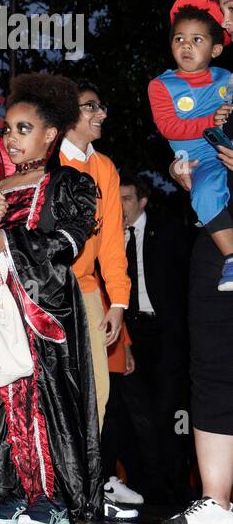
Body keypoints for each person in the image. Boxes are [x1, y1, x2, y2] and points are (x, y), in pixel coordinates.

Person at [0, 73, 103, 524]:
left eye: (23, 129)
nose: (11, 139)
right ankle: (14, 490)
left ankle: (51, 497)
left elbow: (68, 242)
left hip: (43, 310)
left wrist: (10, 240)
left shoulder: (68, 184)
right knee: (4, 397)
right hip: (0, 313)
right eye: (6, 129)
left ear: (51, 134)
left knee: (44, 398)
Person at [162, 0, 233, 524]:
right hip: (218, 225)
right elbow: (181, 130)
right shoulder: (203, 80)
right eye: (227, 3)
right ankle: (215, 502)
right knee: (212, 360)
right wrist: (182, 169)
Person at [56, 82, 137, 517]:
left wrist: (118, 304)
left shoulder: (105, 168)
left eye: (102, 106)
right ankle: (50, 484)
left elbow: (111, 244)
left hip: (88, 291)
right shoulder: (50, 160)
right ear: (69, 115)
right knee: (53, 389)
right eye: (92, 107)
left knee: (98, 392)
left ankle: (85, 483)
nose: (102, 113)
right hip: (46, 292)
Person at [114, 174, 191, 504]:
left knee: (172, 410)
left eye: (127, 199)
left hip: (167, 333)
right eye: (116, 200)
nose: (120, 207)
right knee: (136, 412)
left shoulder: (169, 230)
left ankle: (178, 485)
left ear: (142, 202)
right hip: (132, 335)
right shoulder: (112, 238)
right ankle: (149, 483)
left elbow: (188, 278)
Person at [147, 0, 233, 290]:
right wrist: (212, 122)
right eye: (179, 39)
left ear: (216, 49)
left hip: (229, 148)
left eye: (197, 40)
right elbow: (170, 128)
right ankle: (231, 257)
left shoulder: (227, 78)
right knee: (204, 192)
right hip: (202, 157)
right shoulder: (161, 86)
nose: (186, 45)